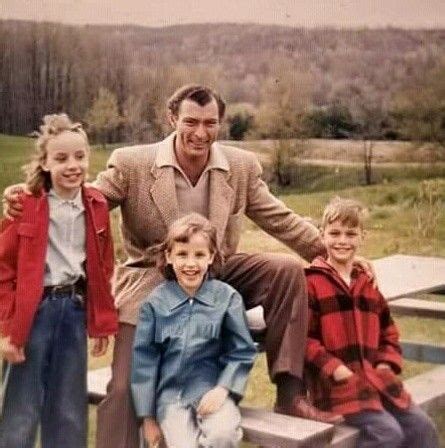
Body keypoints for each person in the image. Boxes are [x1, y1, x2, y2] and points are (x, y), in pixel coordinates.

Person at [4, 85, 354, 448]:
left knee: (286, 270)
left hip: (216, 269)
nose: (200, 133)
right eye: (191, 122)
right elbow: (85, 199)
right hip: (150, 277)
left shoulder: (240, 166)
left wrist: (337, 257)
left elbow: (280, 218)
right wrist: (30, 196)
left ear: (220, 123)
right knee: (125, 387)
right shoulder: (132, 164)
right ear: (172, 119)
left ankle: (291, 395)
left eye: (209, 123)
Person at [0, 114, 118, 448]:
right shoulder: (26, 204)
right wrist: (7, 329)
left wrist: (101, 322)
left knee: (68, 407)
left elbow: (103, 267)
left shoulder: (96, 205)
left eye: (80, 156)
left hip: (74, 311)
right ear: (45, 163)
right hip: (33, 313)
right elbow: (3, 269)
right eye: (61, 158)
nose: (72, 166)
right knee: (21, 405)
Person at [304, 197, 439, 447]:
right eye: (334, 233)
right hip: (338, 389)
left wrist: (386, 364)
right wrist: (336, 369)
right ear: (322, 235)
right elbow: (305, 341)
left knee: (422, 426)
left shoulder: (367, 284)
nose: (342, 241)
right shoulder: (312, 282)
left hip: (377, 381)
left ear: (362, 237)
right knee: (387, 434)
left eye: (350, 234)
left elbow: (388, 332)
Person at [131, 213, 256, 448]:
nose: (191, 264)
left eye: (199, 255)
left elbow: (242, 351)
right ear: (169, 257)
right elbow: (144, 363)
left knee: (223, 436)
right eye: (182, 254)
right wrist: (147, 418)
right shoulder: (155, 304)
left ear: (211, 257)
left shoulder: (227, 298)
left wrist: (223, 389)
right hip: (171, 399)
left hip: (212, 391)